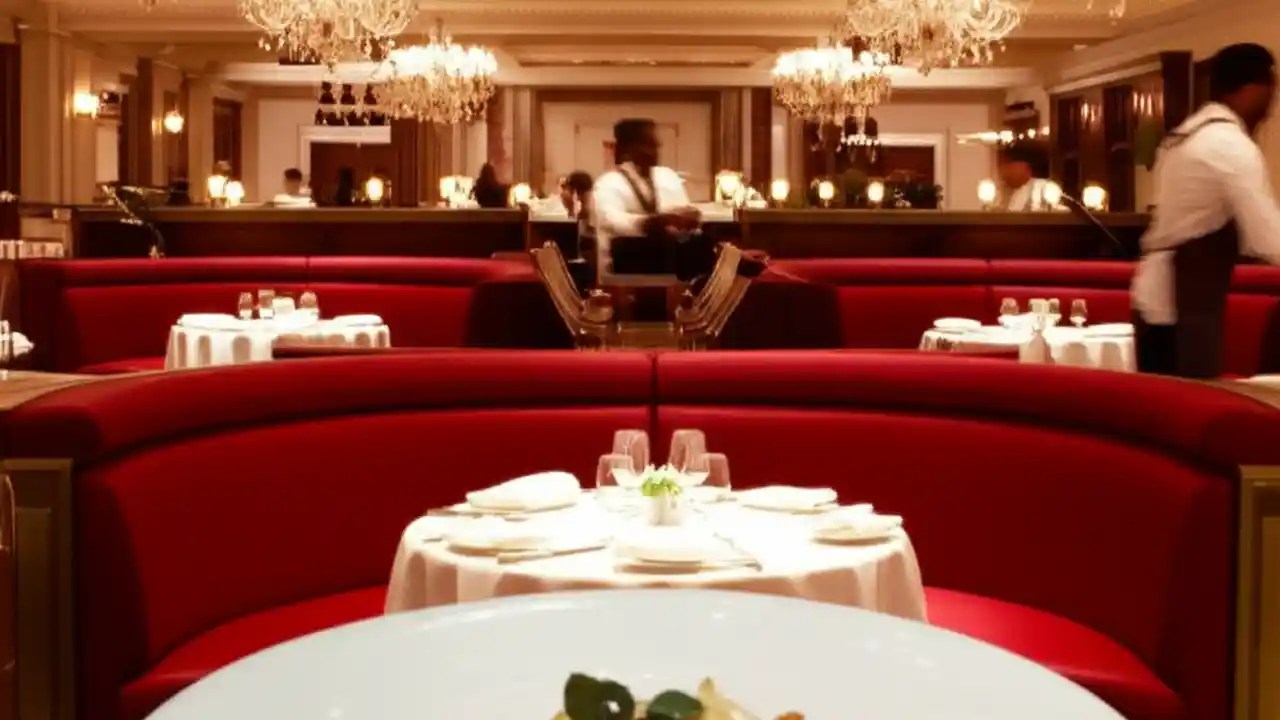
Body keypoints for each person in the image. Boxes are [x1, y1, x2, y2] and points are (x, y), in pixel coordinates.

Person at [1131, 42, 1280, 378]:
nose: (1272, 103)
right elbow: (1267, 237)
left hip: (1155, 299)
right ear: (1254, 88)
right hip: (1187, 305)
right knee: (1189, 409)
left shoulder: (1186, 136)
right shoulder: (1229, 144)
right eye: (1272, 89)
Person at [591, 118, 708, 282]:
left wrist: (690, 219)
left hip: (671, 271)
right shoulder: (608, 183)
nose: (657, 148)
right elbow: (612, 221)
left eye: (656, 143)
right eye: (649, 144)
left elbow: (684, 222)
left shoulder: (668, 176)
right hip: (623, 276)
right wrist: (656, 222)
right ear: (628, 149)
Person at [997, 142, 1058, 211]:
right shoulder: (1001, 191)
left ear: (1024, 165)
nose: (1004, 169)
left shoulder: (1044, 191)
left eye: (1008, 163)